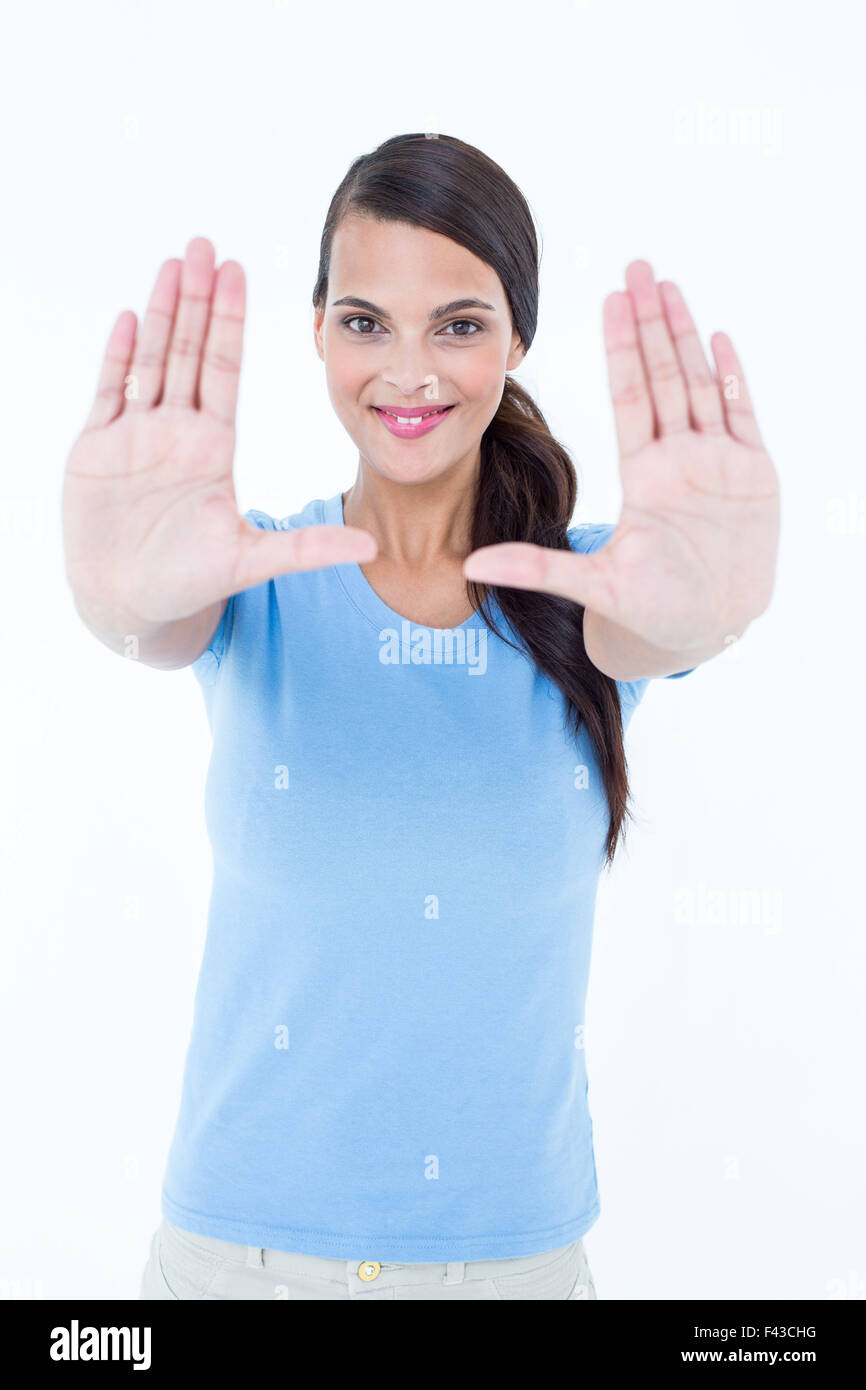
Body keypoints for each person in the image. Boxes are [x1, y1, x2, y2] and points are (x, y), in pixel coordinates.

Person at [62, 133, 780, 1300]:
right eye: (363, 322)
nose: (409, 370)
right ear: (315, 331)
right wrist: (114, 596)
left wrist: (709, 614)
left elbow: (656, 630)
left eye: (457, 323)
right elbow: (149, 623)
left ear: (516, 338)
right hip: (239, 1267)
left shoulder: (590, 594)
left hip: (510, 1271)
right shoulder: (245, 577)